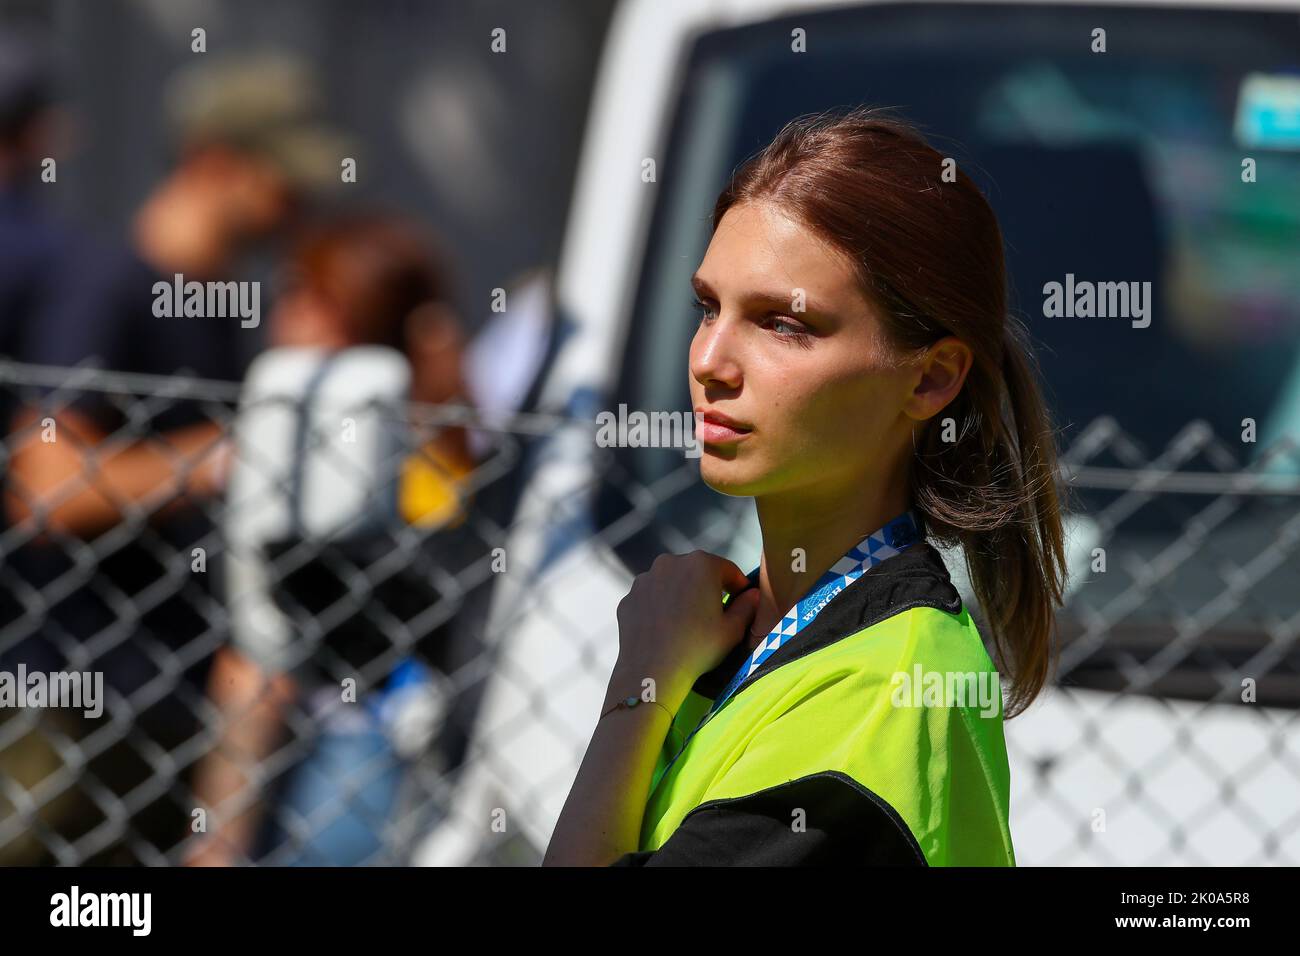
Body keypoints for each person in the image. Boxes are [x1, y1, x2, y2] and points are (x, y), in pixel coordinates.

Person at [544, 107, 1069, 867]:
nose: (711, 361)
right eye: (707, 307)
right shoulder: (751, 628)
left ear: (930, 378)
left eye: (784, 324)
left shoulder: (884, 697)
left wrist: (638, 689)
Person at [0, 52, 347, 864]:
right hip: (66, 709)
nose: (296, 204)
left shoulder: (226, 316)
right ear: (213, 162)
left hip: (163, 712)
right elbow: (48, 486)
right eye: (279, 177)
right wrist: (233, 453)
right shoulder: (104, 288)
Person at [185, 213, 478, 866]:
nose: (279, 311)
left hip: (332, 751)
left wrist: (216, 838)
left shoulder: (303, 437)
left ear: (334, 310)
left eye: (297, 292)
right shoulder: (433, 437)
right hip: (422, 740)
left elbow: (259, 655)